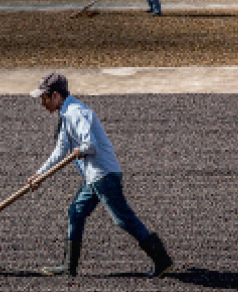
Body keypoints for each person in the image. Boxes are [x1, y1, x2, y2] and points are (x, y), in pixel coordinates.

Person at [27, 72, 173, 278]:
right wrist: (39, 175)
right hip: (93, 177)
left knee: (123, 218)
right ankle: (69, 266)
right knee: (76, 212)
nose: (42, 103)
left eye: (44, 97)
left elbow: (90, 144)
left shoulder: (76, 112)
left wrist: (81, 150)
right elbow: (59, 152)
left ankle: (162, 260)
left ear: (56, 96)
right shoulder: (66, 114)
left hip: (104, 174)